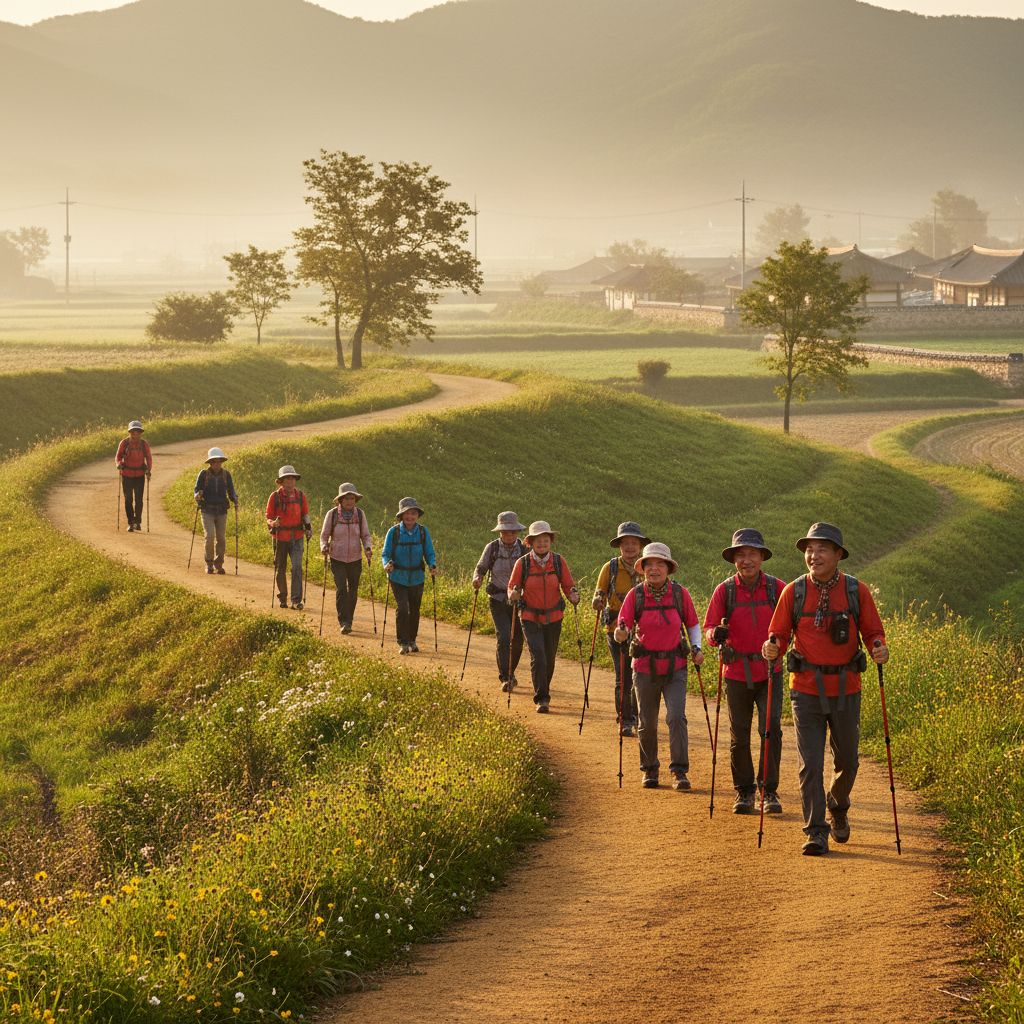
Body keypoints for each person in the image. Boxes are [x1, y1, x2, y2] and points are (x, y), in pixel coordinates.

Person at [762, 523, 888, 857]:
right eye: (809, 549)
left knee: (849, 760)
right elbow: (778, 633)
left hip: (847, 688)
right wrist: (772, 647)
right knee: (810, 763)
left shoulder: (854, 591)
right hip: (805, 690)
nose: (813, 556)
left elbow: (874, 630)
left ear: (837, 555)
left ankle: (838, 802)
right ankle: (816, 830)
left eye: (821, 550)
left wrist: (879, 647)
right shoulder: (795, 591)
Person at [703, 529, 787, 815]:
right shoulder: (724, 591)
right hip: (736, 672)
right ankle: (744, 791)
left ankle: (768, 791)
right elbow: (708, 630)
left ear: (762, 557)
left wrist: (781, 648)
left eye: (752, 554)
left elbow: (791, 626)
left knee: (770, 729)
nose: (746, 560)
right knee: (739, 733)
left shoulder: (778, 589)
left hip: (770, 671)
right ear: (734, 559)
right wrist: (716, 633)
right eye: (741, 555)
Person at [614, 542, 703, 790]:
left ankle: (679, 771)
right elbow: (622, 629)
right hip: (644, 668)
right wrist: (621, 633)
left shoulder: (679, 594)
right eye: (649, 564)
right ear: (642, 569)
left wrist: (697, 648)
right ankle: (650, 769)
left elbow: (693, 624)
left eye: (659, 564)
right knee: (647, 721)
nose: (654, 569)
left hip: (675, 667)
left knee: (676, 718)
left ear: (668, 568)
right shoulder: (636, 595)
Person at [507, 521, 579, 713]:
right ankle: (542, 698)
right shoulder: (522, 563)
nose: (542, 544)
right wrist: (513, 595)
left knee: (549, 658)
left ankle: (543, 687)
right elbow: (512, 586)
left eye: (545, 540)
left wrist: (572, 595)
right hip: (530, 616)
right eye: (538, 541)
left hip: (554, 617)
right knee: (538, 656)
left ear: (550, 541)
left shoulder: (557, 561)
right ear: (530, 542)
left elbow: (567, 584)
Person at [593, 521, 650, 737]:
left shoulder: (648, 567)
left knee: (641, 676)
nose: (630, 547)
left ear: (640, 545)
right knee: (624, 676)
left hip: (643, 633)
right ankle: (625, 719)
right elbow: (599, 593)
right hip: (616, 630)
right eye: (626, 543)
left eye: (634, 543)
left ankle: (638, 717)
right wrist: (598, 601)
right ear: (619, 546)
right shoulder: (611, 568)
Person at [473, 511, 527, 692]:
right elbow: (480, 568)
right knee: (504, 637)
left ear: (517, 532)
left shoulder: (524, 549)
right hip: (497, 599)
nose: (509, 535)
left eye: (513, 531)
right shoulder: (492, 548)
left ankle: (511, 672)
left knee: (518, 639)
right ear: (500, 532)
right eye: (506, 531)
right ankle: (505, 676)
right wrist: (477, 579)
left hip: (519, 601)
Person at [382, 497, 437, 655]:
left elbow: (429, 552)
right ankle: (403, 642)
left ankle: (412, 640)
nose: (410, 517)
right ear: (401, 515)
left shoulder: (422, 531)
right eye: (407, 513)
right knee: (403, 608)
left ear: (417, 515)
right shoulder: (394, 532)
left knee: (415, 610)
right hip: (397, 577)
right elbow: (386, 553)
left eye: (413, 513)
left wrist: (432, 564)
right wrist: (387, 564)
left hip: (417, 577)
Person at [320, 482, 372, 633]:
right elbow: (324, 536)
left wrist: (368, 548)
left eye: (352, 498)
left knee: (353, 590)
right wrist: (324, 547)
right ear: (340, 500)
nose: (350, 501)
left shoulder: (360, 515)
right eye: (346, 498)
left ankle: (349, 620)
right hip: (337, 558)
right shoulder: (333, 514)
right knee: (342, 588)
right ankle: (343, 621)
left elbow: (365, 535)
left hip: (356, 558)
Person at [266, 465, 311, 609]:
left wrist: (309, 528)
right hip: (280, 537)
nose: (290, 482)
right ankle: (283, 597)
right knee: (280, 567)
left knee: (297, 567)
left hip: (297, 536)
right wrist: (273, 523)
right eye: (287, 479)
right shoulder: (275, 497)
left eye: (292, 478)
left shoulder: (300, 496)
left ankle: (296, 600)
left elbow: (305, 514)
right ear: (281, 482)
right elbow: (268, 516)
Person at [193, 447, 237, 575]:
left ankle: (219, 564)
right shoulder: (203, 474)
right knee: (210, 536)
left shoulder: (226, 475)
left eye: (219, 462)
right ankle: (209, 563)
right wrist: (197, 495)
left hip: (222, 510)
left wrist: (234, 498)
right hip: (207, 510)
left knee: (221, 539)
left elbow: (231, 490)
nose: (217, 464)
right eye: (214, 462)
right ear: (210, 463)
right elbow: (196, 490)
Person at [115, 419, 152, 532]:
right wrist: (119, 464)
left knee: (139, 500)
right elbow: (118, 457)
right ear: (129, 432)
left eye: (138, 432)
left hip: (140, 475)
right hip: (126, 475)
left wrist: (148, 470)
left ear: (141, 433)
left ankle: (138, 522)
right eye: (133, 432)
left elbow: (149, 458)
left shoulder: (144, 444)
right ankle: (131, 522)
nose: (135, 434)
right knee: (128, 499)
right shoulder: (124, 443)